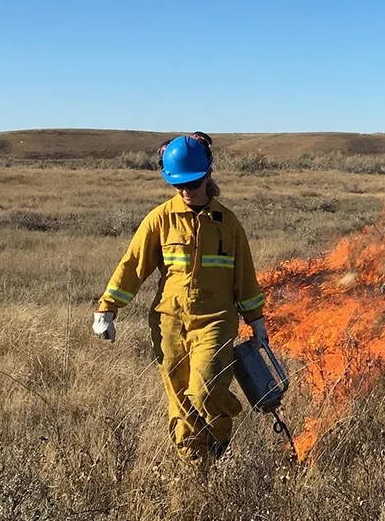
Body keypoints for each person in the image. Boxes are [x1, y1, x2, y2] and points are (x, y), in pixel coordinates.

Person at [91, 132, 268, 462]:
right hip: (169, 323)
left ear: (208, 175)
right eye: (179, 186)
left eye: (194, 183)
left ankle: (218, 437)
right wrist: (108, 307)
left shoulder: (228, 224)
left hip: (216, 320)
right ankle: (196, 467)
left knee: (205, 389)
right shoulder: (160, 219)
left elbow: (244, 276)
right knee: (180, 401)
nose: (187, 192)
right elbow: (133, 265)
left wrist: (256, 320)